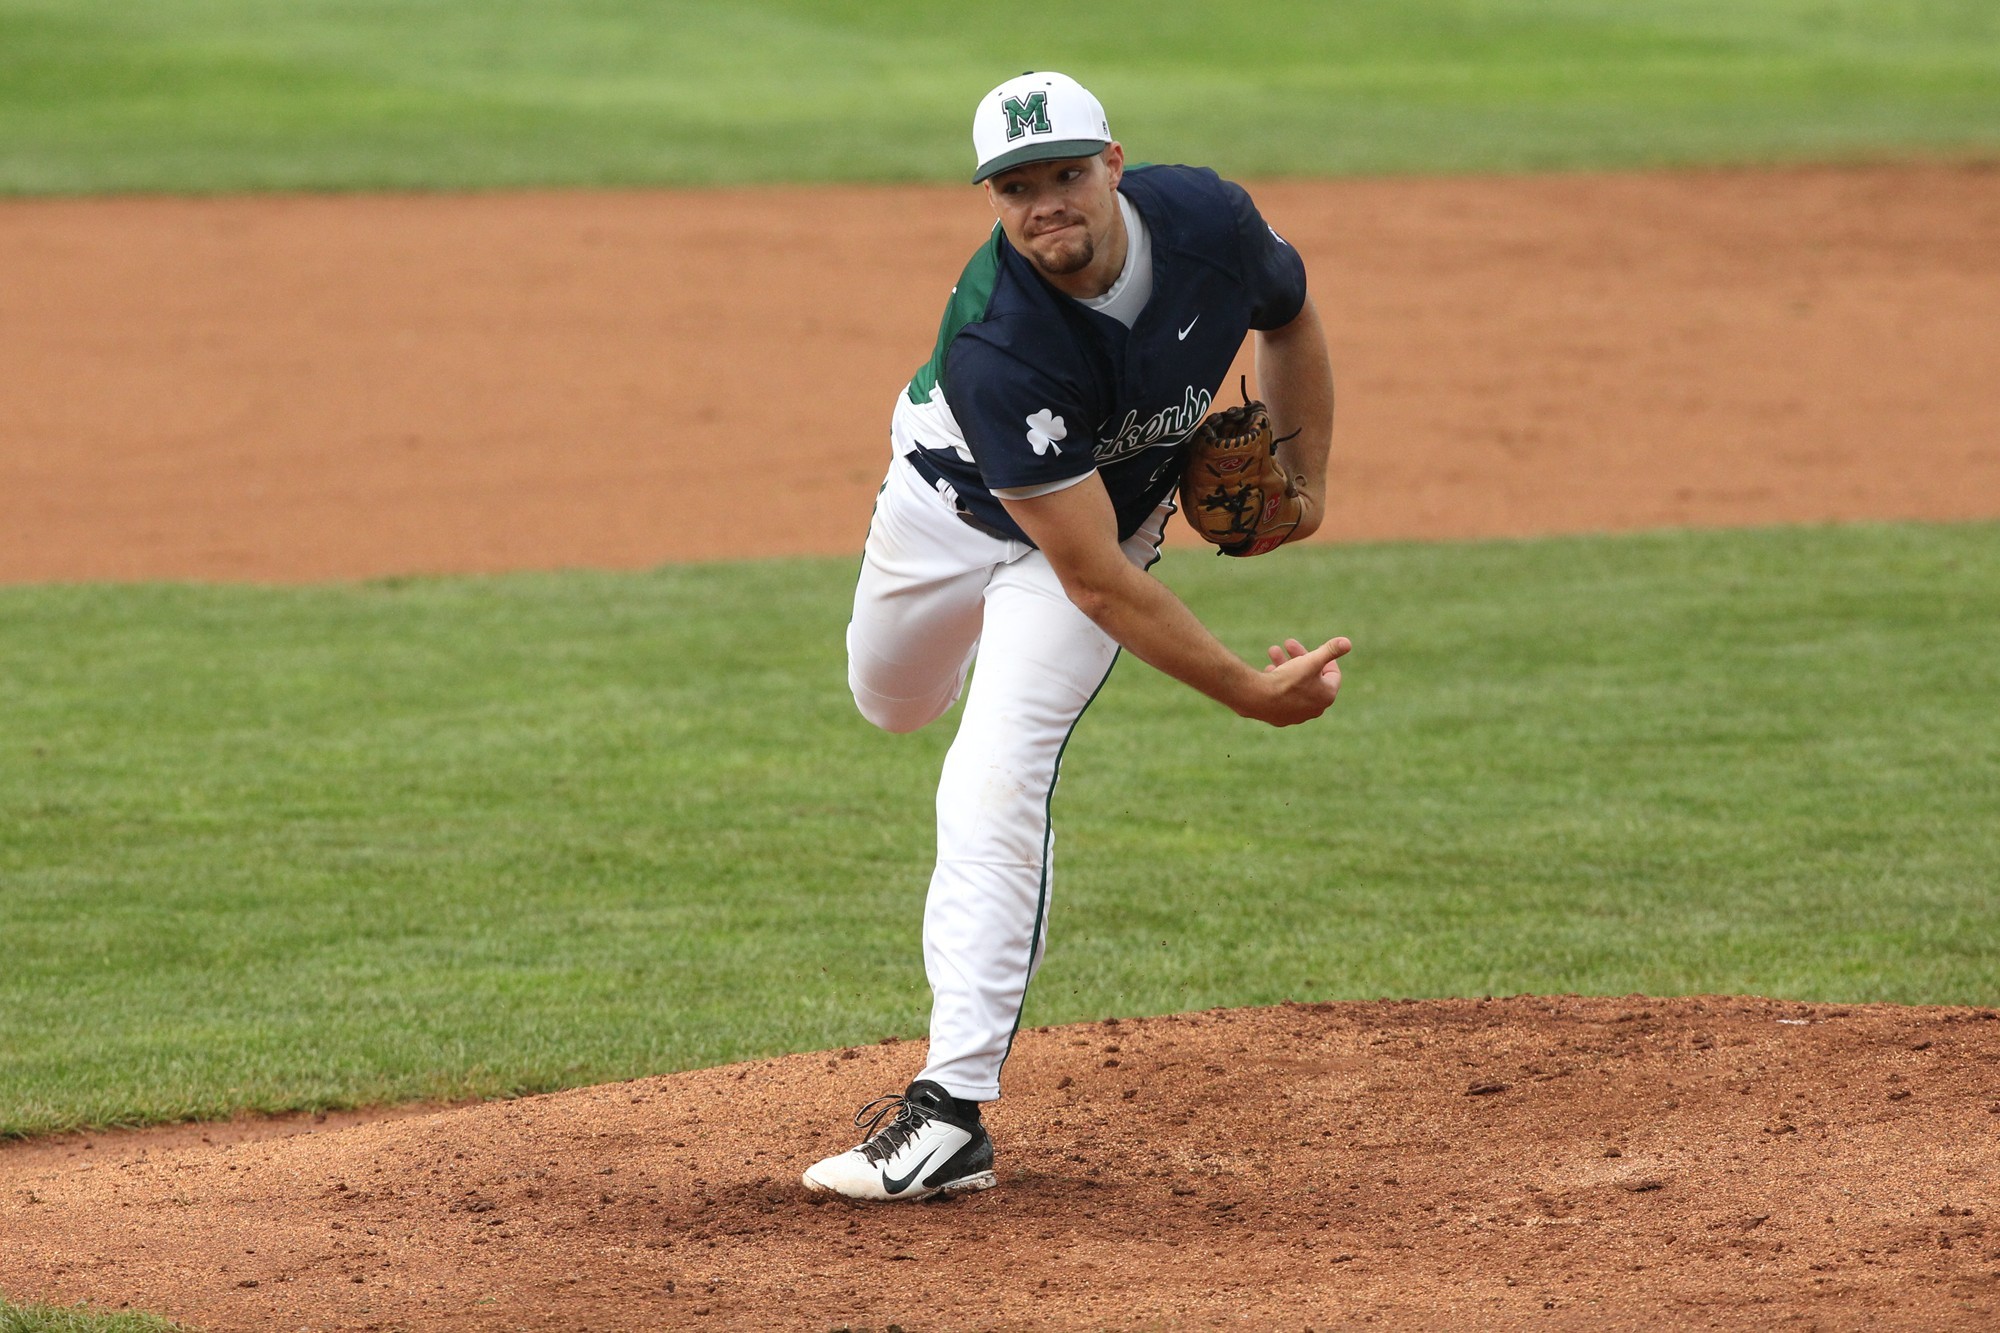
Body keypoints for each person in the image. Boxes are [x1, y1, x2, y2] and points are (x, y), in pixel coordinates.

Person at [802, 71, 1349, 1202]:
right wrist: (1250, 691)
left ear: (1111, 163)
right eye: (1015, 188)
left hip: (1093, 540)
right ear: (992, 201)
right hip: (944, 515)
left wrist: (1306, 480)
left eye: (1062, 174)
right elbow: (1096, 580)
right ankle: (964, 647)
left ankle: (949, 1114)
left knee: (990, 779)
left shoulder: (1207, 223)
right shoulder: (999, 339)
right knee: (890, 700)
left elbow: (1288, 315)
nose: (1044, 203)